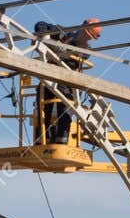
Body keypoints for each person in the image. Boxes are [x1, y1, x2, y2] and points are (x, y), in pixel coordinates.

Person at [34, 17, 101, 145]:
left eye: (88, 36)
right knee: (43, 106)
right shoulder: (64, 33)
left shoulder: (85, 50)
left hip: (66, 82)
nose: (84, 37)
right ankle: (42, 137)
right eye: (84, 34)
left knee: (64, 106)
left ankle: (61, 138)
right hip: (49, 77)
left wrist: (65, 50)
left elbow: (81, 55)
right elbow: (40, 24)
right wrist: (45, 36)